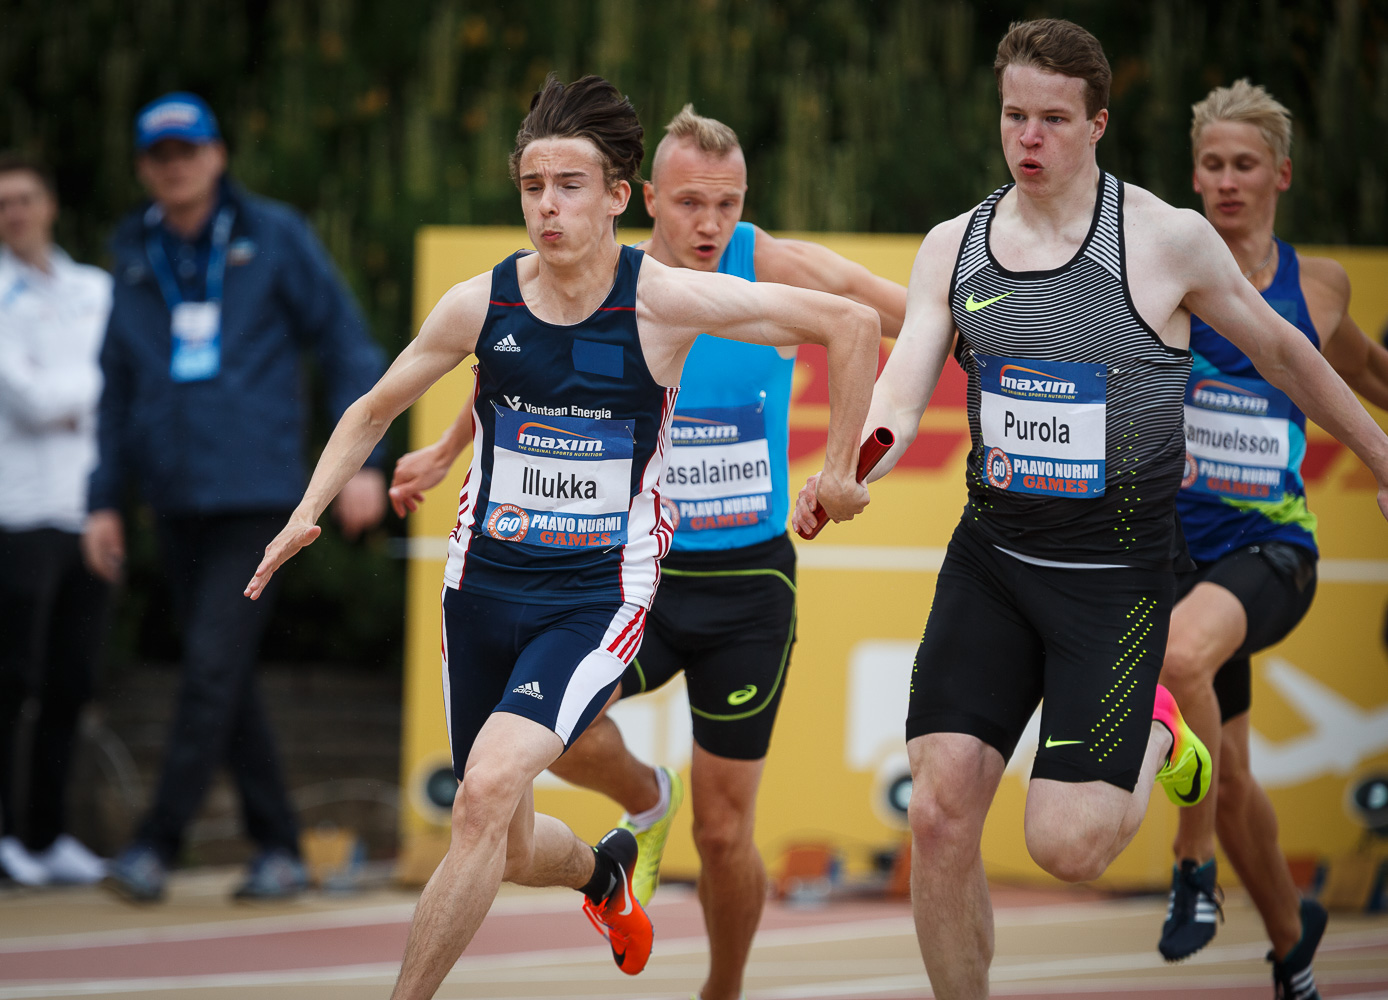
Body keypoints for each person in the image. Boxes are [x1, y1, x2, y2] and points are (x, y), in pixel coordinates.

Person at [244, 75, 878, 1000]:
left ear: (619, 197)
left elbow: (853, 322)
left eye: (570, 185)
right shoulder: (482, 304)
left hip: (592, 598)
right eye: (533, 186)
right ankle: (602, 872)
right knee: (494, 832)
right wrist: (306, 513)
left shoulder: (664, 300)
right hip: (483, 593)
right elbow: (373, 407)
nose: (548, 205)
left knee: (488, 789)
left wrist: (838, 469)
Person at [792, 19, 1388, 1000]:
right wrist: (856, 466)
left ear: (1096, 124)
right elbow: (902, 391)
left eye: (1052, 120)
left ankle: (1166, 734)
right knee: (939, 810)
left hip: (1113, 579)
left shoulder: (1163, 240)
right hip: (991, 561)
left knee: (1065, 846)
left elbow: (1285, 353)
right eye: (1013, 116)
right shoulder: (956, 245)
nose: (1027, 138)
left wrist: (1372, 447)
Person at [86, 92, 389, 903]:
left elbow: (346, 342)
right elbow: (113, 387)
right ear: (144, 167)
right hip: (172, 498)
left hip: (261, 495)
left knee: (213, 666)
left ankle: (156, 844)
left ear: (217, 155)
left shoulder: (274, 234)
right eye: (159, 155)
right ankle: (281, 849)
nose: (174, 166)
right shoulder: (131, 249)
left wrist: (365, 461)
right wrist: (103, 499)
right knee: (224, 677)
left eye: (188, 151)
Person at [1155, 79, 1388, 996]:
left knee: (1178, 661)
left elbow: (1367, 373)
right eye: (1210, 165)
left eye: (1244, 164)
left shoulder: (1317, 286)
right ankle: (1294, 949)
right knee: (1238, 773)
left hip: (1272, 549)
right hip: (1176, 555)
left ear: (1280, 174)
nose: (1225, 181)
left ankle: (1191, 869)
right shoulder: (1166, 273)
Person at [0, 153, 111, 887]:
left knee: (73, 680)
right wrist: (88, 389)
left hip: (89, 513)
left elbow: (120, 377)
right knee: (12, 683)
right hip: (17, 511)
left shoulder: (93, 287)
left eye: (25, 198)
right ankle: (7, 835)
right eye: (2, 203)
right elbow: (31, 401)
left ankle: (47, 835)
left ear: (51, 205)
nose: (14, 212)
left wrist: (70, 389)